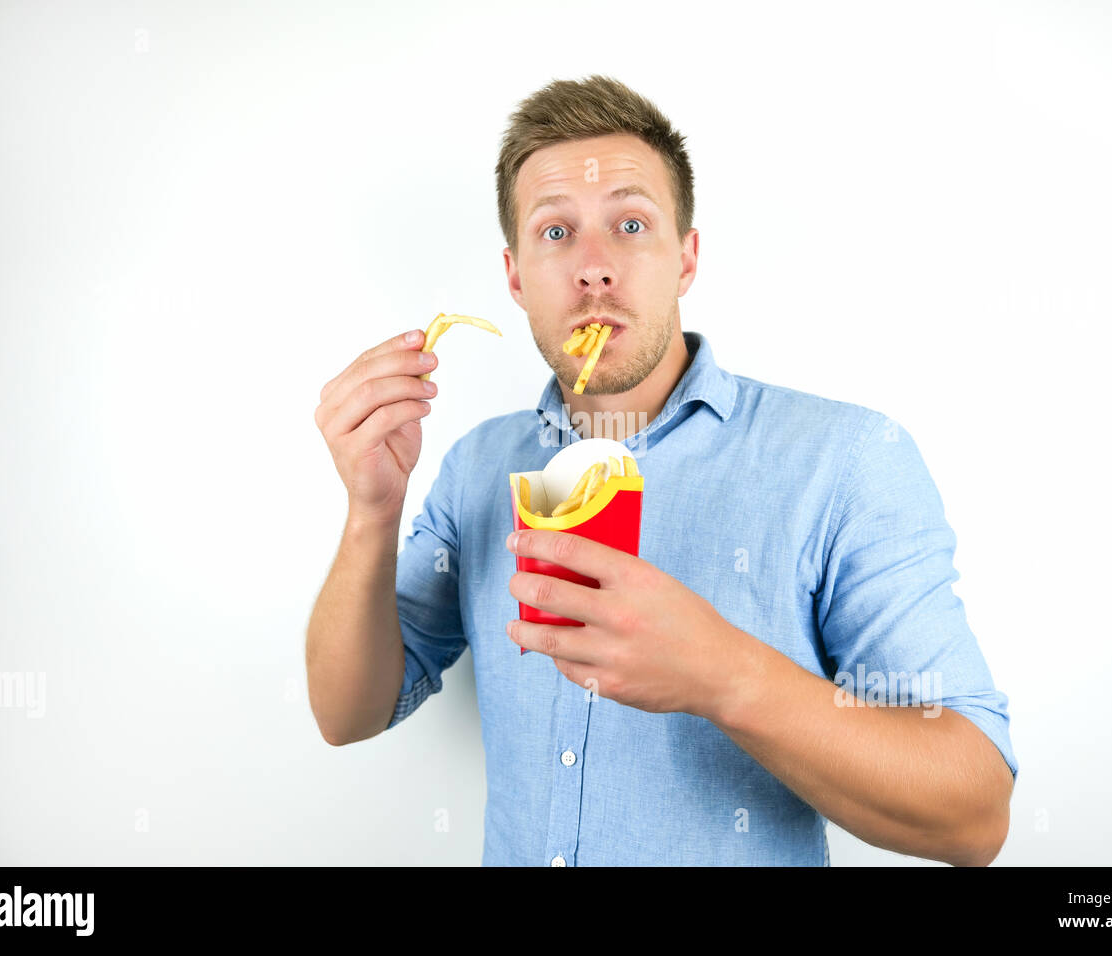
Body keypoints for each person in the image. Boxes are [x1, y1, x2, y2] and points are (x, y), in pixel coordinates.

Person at [307, 74, 1017, 867]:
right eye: (555, 232)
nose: (594, 268)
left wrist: (723, 674)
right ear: (514, 278)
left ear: (685, 259)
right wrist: (370, 513)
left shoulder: (845, 461)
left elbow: (974, 815)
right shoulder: (477, 466)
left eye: (631, 224)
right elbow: (348, 714)